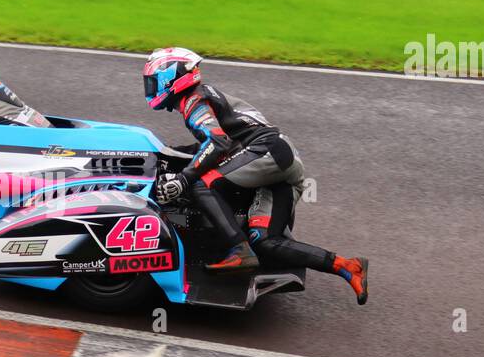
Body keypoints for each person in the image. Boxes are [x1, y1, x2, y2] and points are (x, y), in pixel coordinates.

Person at [143, 47, 369, 304]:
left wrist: (183, 178)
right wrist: (173, 154)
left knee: (201, 185)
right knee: (265, 242)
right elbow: (221, 144)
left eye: (152, 81)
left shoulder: (194, 101)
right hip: (280, 161)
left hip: (268, 153)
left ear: (169, 77)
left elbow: (218, 143)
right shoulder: (204, 96)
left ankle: (238, 249)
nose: (149, 88)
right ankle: (348, 266)